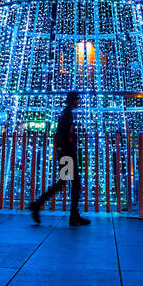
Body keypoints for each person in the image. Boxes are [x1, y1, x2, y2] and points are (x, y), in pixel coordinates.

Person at [28, 92, 89, 226]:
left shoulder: (66, 113)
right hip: (68, 155)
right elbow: (62, 134)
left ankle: (72, 214)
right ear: (73, 101)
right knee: (70, 184)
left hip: (67, 154)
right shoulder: (66, 114)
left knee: (66, 183)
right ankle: (38, 206)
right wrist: (65, 148)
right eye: (77, 100)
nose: (78, 102)